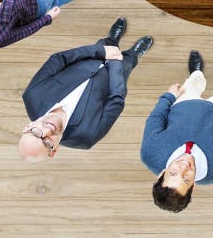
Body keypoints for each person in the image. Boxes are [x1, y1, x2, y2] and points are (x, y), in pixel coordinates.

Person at [18, 17, 153, 161]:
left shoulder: (32, 96)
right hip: (114, 78)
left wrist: (100, 51)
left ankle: (112, 39)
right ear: (54, 151)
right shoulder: (87, 138)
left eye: (37, 134)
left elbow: (58, 59)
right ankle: (134, 54)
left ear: (28, 127)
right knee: (128, 62)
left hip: (92, 56)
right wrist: (116, 64)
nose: (47, 131)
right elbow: (116, 101)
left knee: (107, 43)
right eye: (46, 143)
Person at [141, 50, 213, 213]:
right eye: (186, 178)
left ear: (161, 173)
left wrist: (169, 96)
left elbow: (156, 119)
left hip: (184, 103)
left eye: (173, 173)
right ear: (193, 186)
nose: (184, 166)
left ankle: (196, 72)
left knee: (192, 84)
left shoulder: (150, 153)